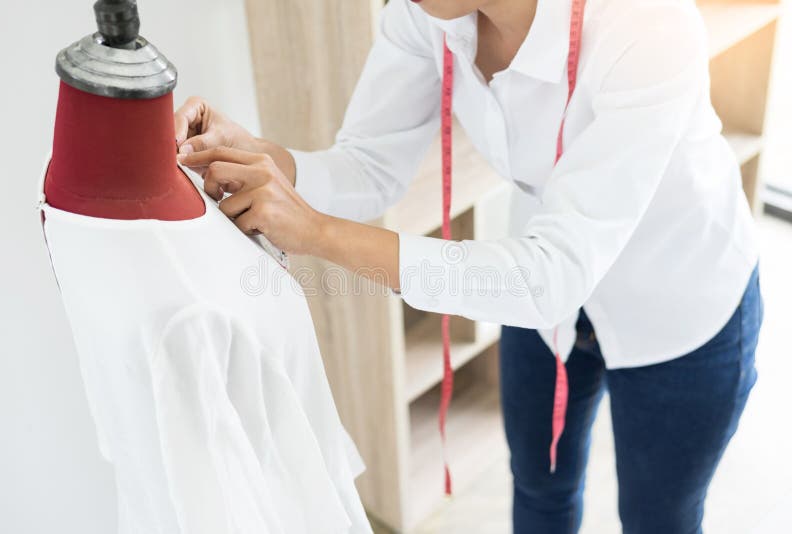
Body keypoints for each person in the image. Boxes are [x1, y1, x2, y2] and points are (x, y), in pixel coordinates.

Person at [174, 0, 762, 532]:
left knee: (658, 520)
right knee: (539, 491)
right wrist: (262, 157)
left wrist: (319, 233)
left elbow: (548, 279)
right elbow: (369, 167)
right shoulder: (427, 12)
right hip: (542, 291)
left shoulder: (647, 24)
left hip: (681, 310)